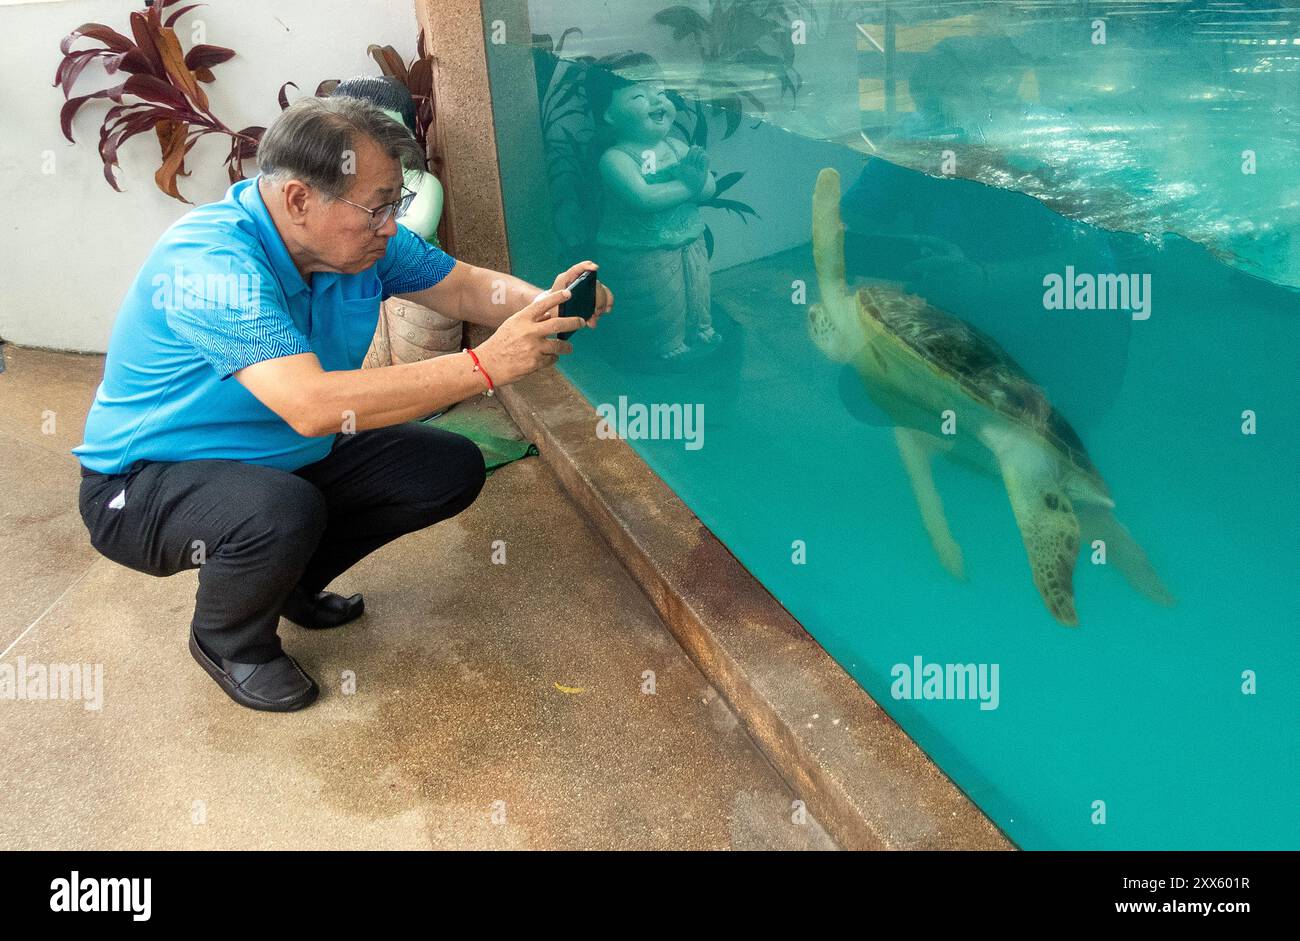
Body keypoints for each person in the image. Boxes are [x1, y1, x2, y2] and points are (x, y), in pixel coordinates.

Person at [71, 96, 613, 712]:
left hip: (279, 452)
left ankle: (287, 582)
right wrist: (485, 365)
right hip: (143, 485)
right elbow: (308, 404)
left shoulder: (358, 242)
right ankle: (230, 640)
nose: (390, 224)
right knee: (278, 510)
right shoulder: (210, 264)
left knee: (445, 468)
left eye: (394, 205)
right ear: (299, 200)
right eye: (378, 207)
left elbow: (462, 286)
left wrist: (542, 303)